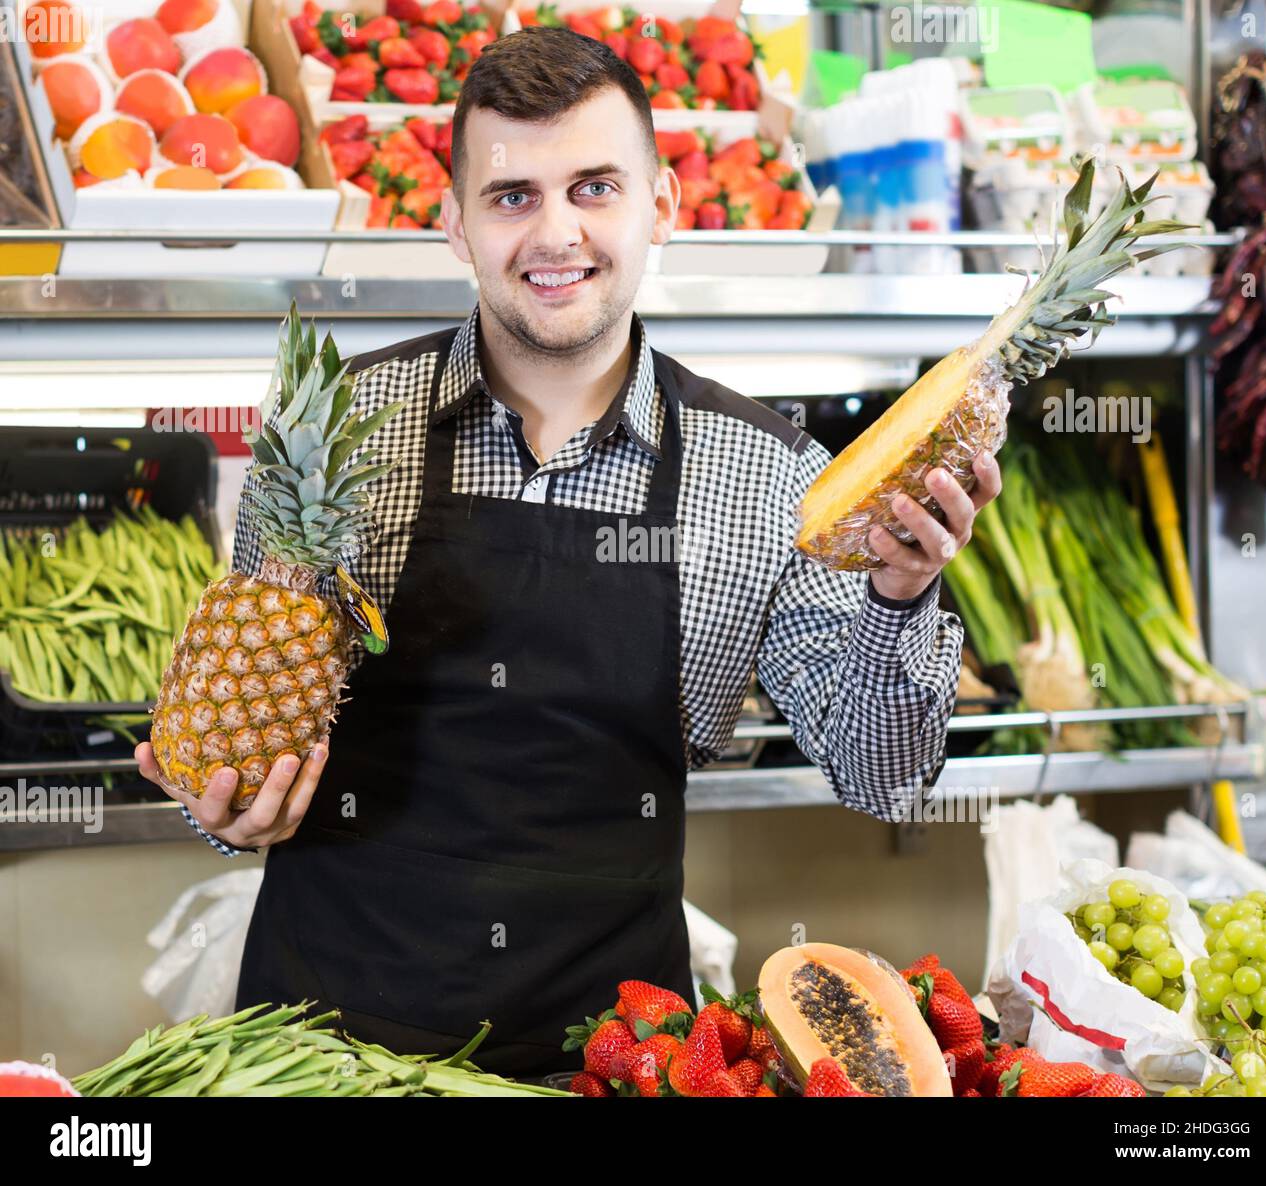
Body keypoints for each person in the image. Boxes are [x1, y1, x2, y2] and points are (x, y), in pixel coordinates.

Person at [135, 25, 1001, 1077]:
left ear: (661, 207)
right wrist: (228, 808)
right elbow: (251, 749)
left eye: (594, 188)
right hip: (322, 1051)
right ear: (453, 223)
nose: (556, 234)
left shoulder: (767, 474)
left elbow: (884, 773)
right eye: (512, 196)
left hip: (614, 1062)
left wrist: (901, 598)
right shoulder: (337, 426)